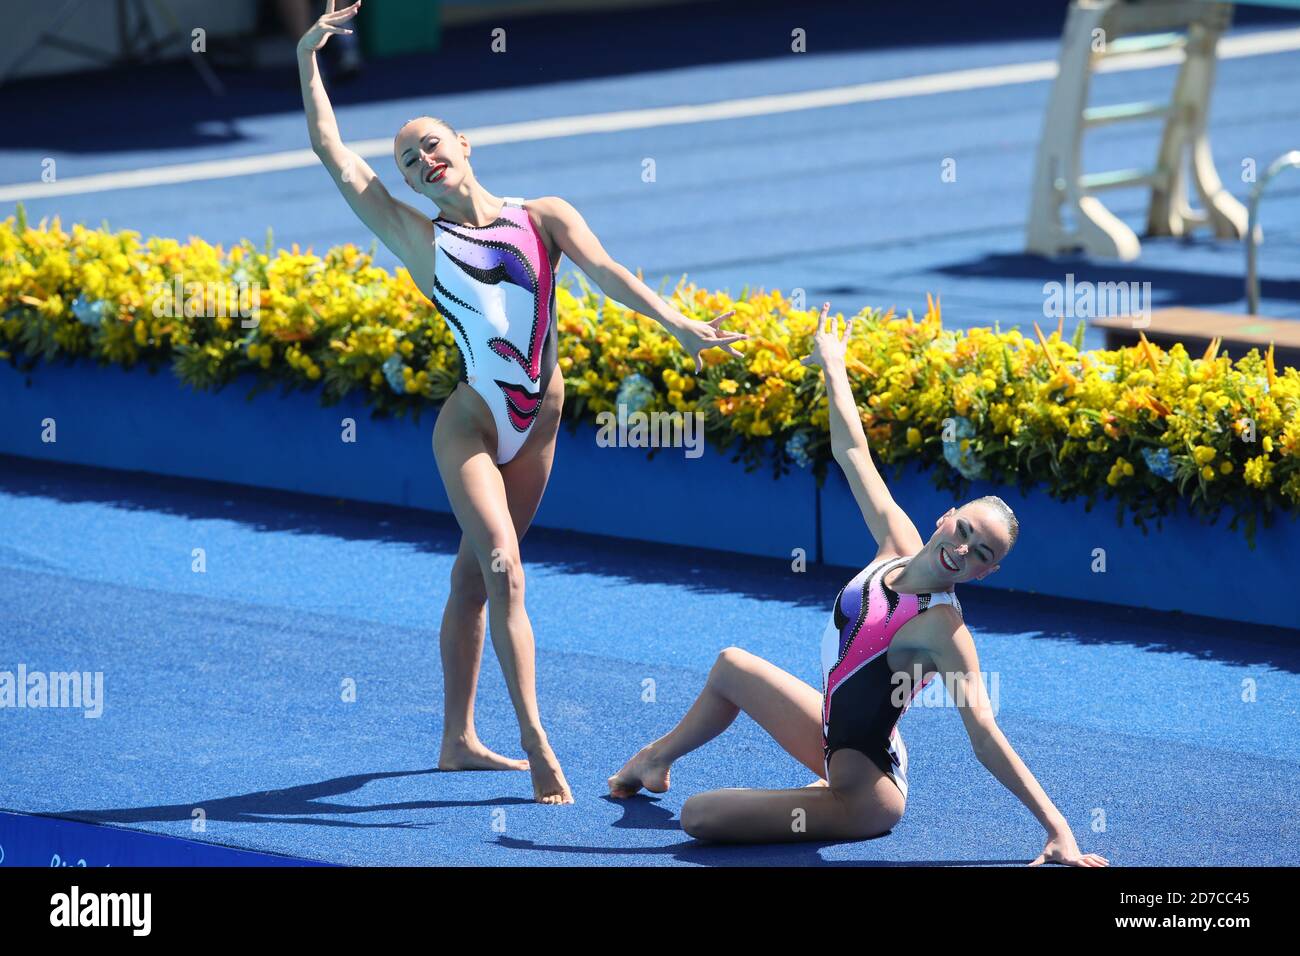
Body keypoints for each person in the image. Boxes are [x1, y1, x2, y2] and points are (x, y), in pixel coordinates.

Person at [297, 1, 746, 804]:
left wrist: (677, 322)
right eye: (406, 161)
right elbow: (336, 157)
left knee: (473, 581)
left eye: (430, 144)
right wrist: (307, 57)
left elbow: (608, 272)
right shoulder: (421, 241)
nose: (422, 160)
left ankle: (456, 741)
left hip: (537, 427)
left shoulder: (544, 216)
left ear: (464, 145)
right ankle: (537, 741)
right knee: (506, 571)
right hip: (471, 425)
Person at [609, 303, 1110, 866]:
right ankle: (656, 759)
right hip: (832, 735)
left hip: (867, 792)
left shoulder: (942, 628)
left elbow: (984, 735)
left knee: (701, 816)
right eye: (963, 529)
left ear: (984, 573)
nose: (963, 548)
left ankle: (824, 805)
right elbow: (852, 453)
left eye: (981, 553)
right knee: (731, 665)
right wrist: (833, 363)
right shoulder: (897, 540)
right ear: (946, 517)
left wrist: (1058, 826)